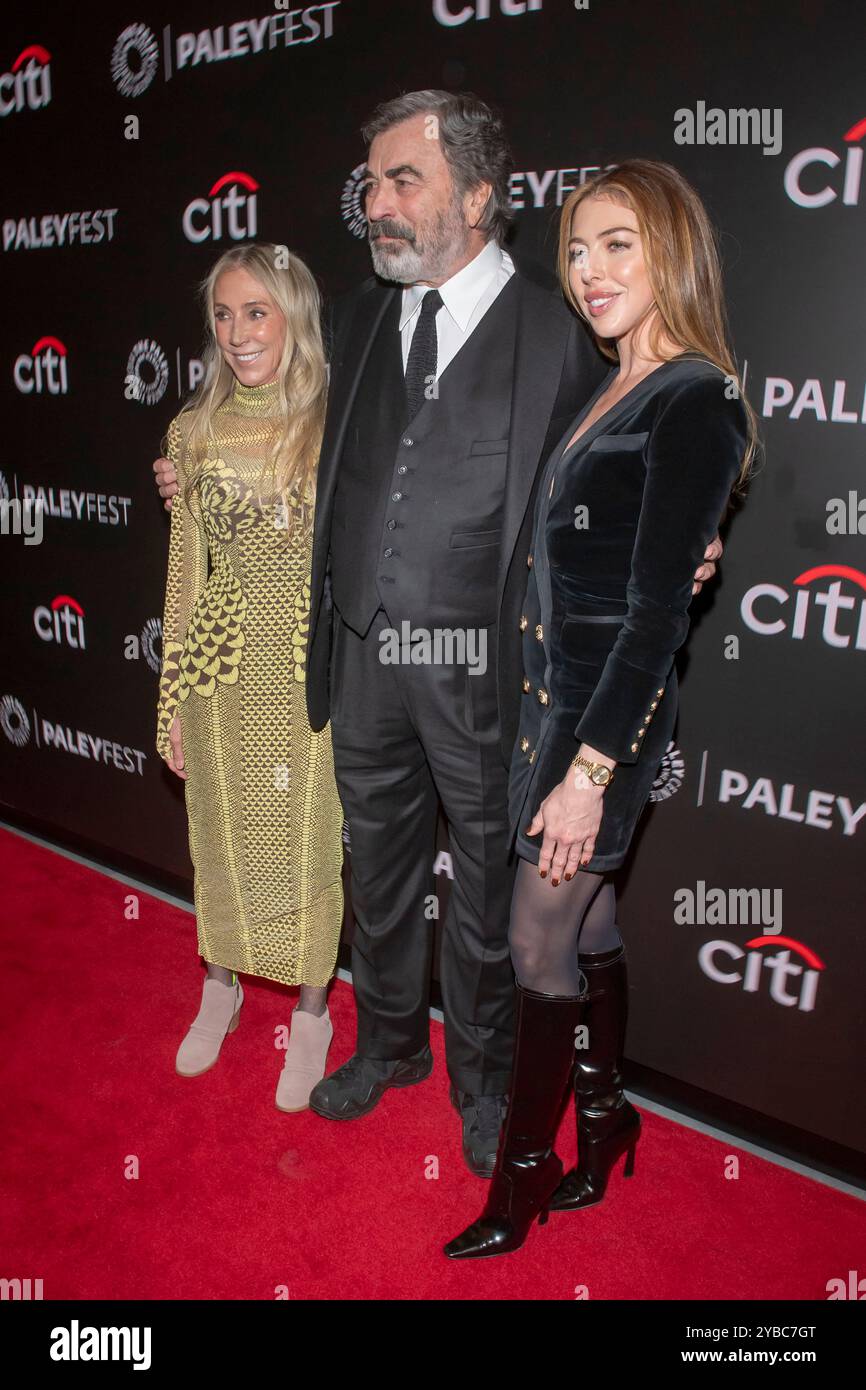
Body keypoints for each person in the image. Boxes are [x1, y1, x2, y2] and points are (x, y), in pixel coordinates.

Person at [153, 92, 722, 1177]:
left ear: (474, 194)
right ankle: (390, 1046)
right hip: (361, 657)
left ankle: (481, 1078)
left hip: (480, 671)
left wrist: (683, 547)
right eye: (369, 182)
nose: (375, 202)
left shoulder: (560, 341)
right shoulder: (364, 317)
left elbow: (617, 483)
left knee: (478, 898)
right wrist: (193, 471)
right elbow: (272, 430)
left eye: (400, 179)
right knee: (376, 870)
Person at [444, 159, 756, 1258]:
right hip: (550, 704)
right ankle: (605, 1116)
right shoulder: (609, 383)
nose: (587, 270)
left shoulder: (695, 397)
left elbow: (651, 618)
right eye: (575, 248)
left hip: (600, 726)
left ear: (669, 249)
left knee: (536, 943)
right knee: (594, 925)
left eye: (616, 243)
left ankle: (519, 1179)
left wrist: (587, 773)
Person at [156, 242, 344, 1111]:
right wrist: (171, 706)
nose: (238, 333)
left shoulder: (334, 420)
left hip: (310, 671)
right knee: (221, 841)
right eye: (224, 315)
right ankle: (221, 986)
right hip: (218, 667)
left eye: (256, 312)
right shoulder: (191, 431)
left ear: (292, 316)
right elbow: (183, 568)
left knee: (307, 850)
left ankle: (312, 1015)